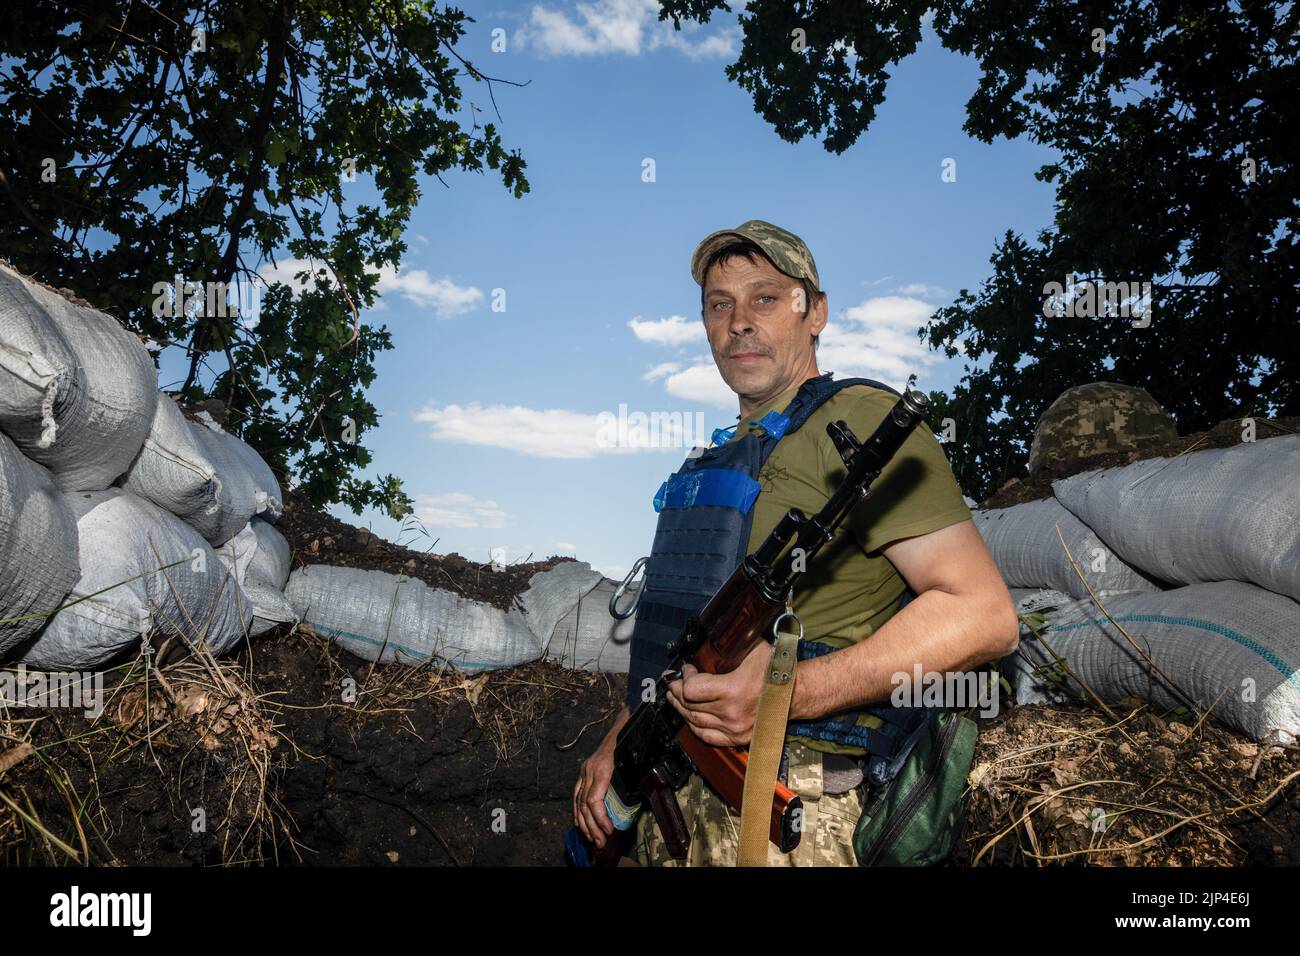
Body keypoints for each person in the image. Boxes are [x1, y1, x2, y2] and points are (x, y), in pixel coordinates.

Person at [572, 219, 1018, 866]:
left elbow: (983, 614)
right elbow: (686, 644)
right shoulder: (717, 459)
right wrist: (625, 733)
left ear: (817, 313)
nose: (739, 321)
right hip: (675, 799)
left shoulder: (861, 420)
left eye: (766, 298)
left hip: (788, 807)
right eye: (719, 305)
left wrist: (788, 692)